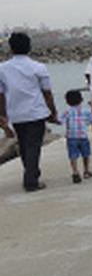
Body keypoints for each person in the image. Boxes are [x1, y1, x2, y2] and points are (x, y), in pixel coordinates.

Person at [0, 33, 59, 191]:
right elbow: (47, 93)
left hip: (16, 114)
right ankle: (31, 180)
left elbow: (1, 95)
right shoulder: (38, 67)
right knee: (33, 146)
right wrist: (53, 112)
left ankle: (31, 173)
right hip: (35, 112)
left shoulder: (2, 69)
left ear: (11, 48)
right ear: (29, 47)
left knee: (25, 146)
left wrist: (3, 115)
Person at [60, 90, 92, 183]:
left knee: (73, 155)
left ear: (67, 101)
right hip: (83, 136)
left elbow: (60, 121)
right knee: (86, 154)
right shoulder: (86, 110)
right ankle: (86, 171)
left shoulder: (66, 111)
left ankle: (75, 172)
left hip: (71, 137)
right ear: (81, 99)